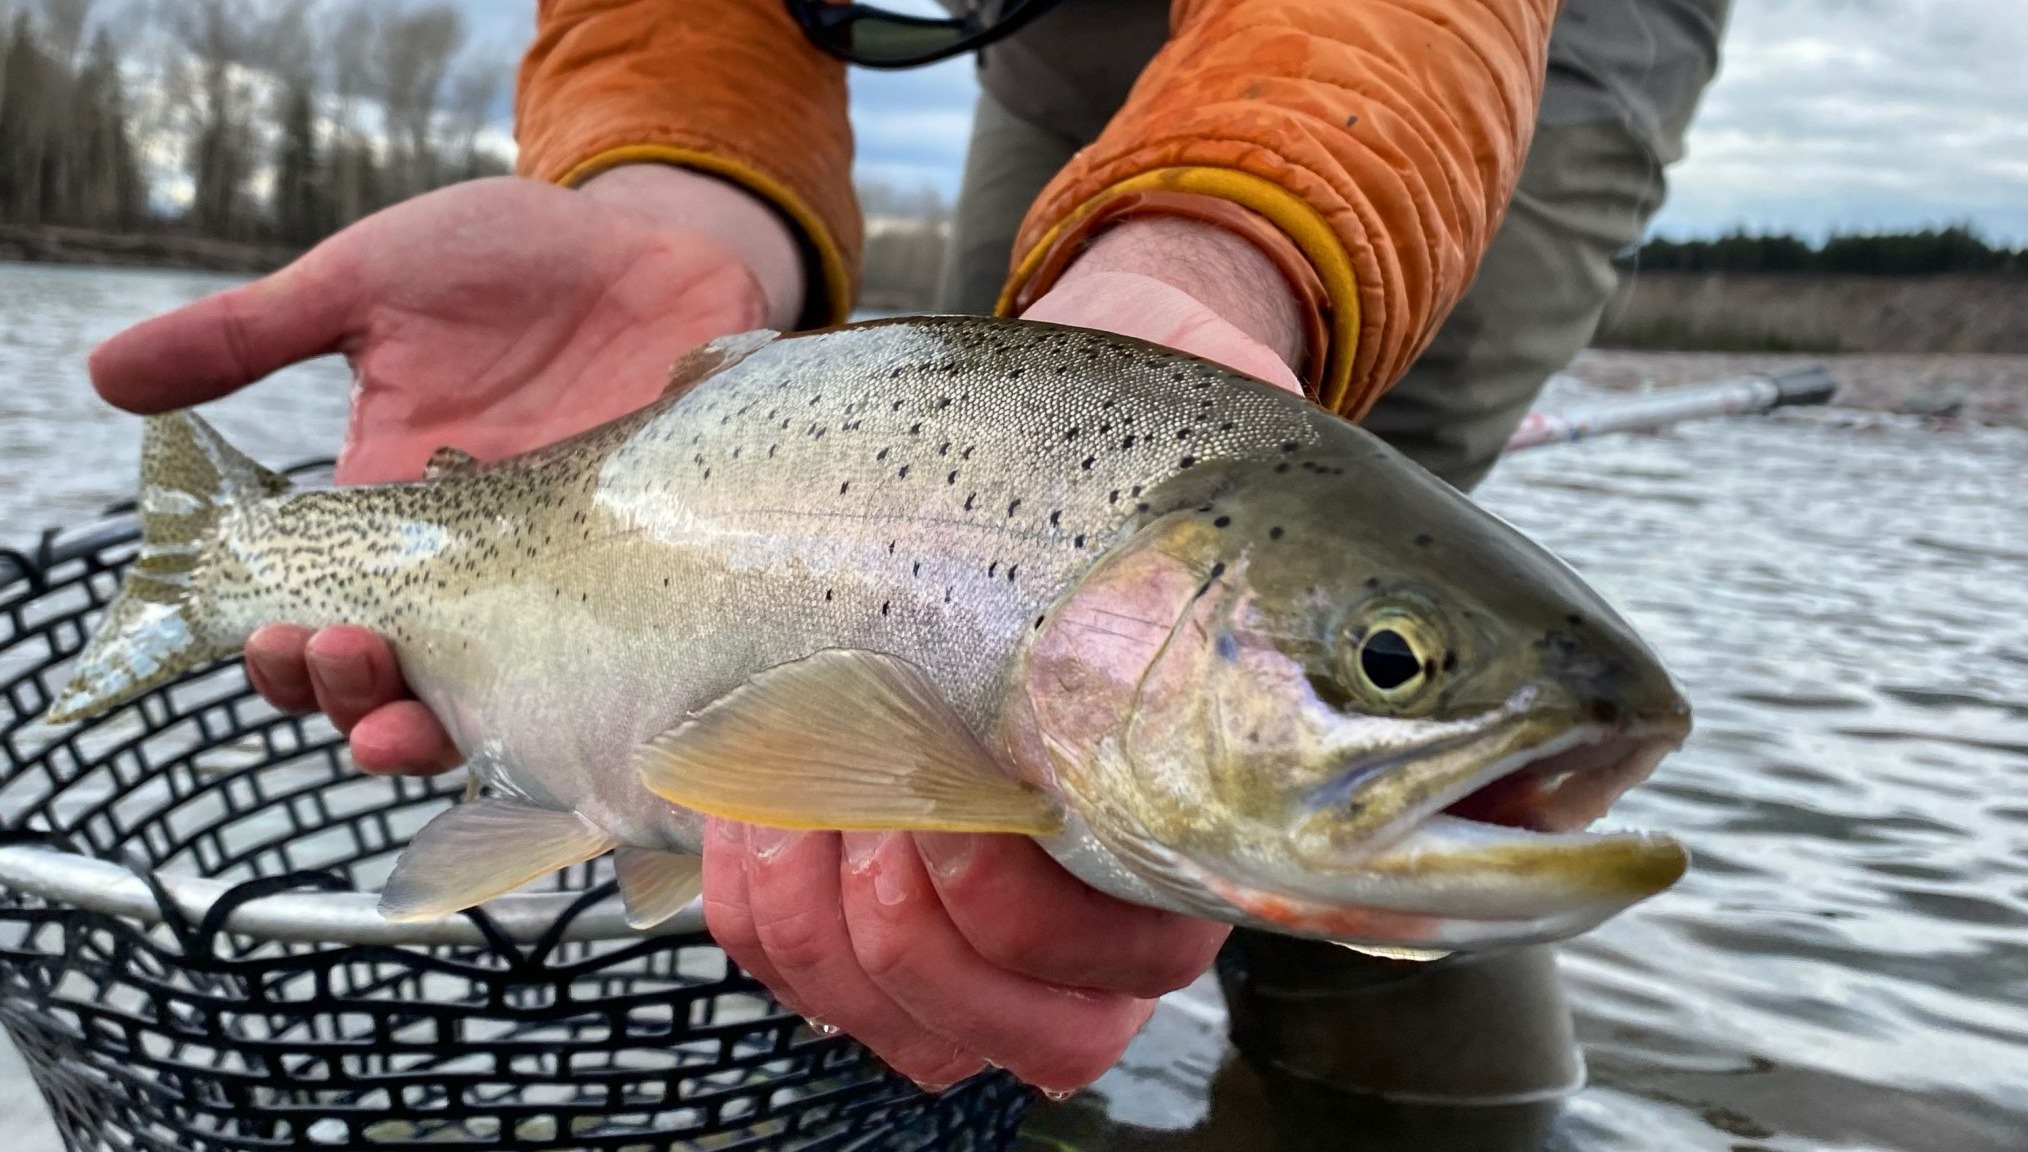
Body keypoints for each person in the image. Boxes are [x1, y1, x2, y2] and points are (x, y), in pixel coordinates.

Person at [85, 0, 1730, 1118]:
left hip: (1461, 39)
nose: (1389, 665)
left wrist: (1231, 257)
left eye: (1386, 665)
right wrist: (684, 216)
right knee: (941, 928)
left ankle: (1427, 1109)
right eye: (1388, 665)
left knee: (1327, 430)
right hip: (1037, 30)